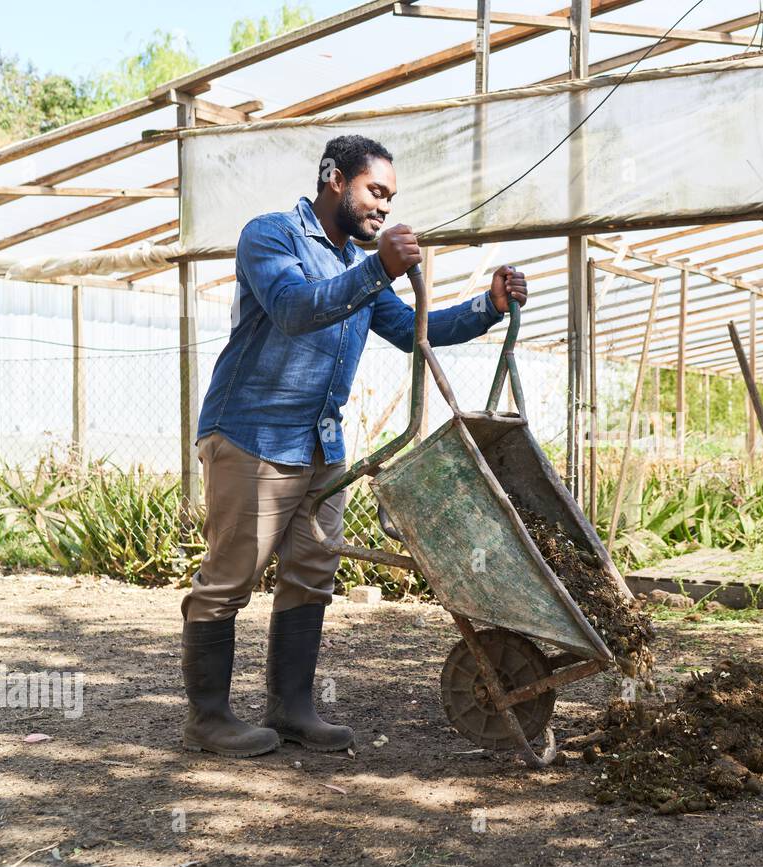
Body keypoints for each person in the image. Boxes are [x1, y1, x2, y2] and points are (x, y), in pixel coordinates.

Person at [179, 134, 528, 757]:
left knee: (311, 577)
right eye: (375, 192)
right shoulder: (271, 235)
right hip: (252, 435)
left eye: (390, 199)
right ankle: (207, 719)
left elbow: (413, 331)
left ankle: (291, 711)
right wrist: (377, 268)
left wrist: (488, 306)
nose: (383, 208)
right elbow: (291, 308)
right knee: (230, 579)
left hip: (321, 444)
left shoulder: (356, 267)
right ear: (334, 178)